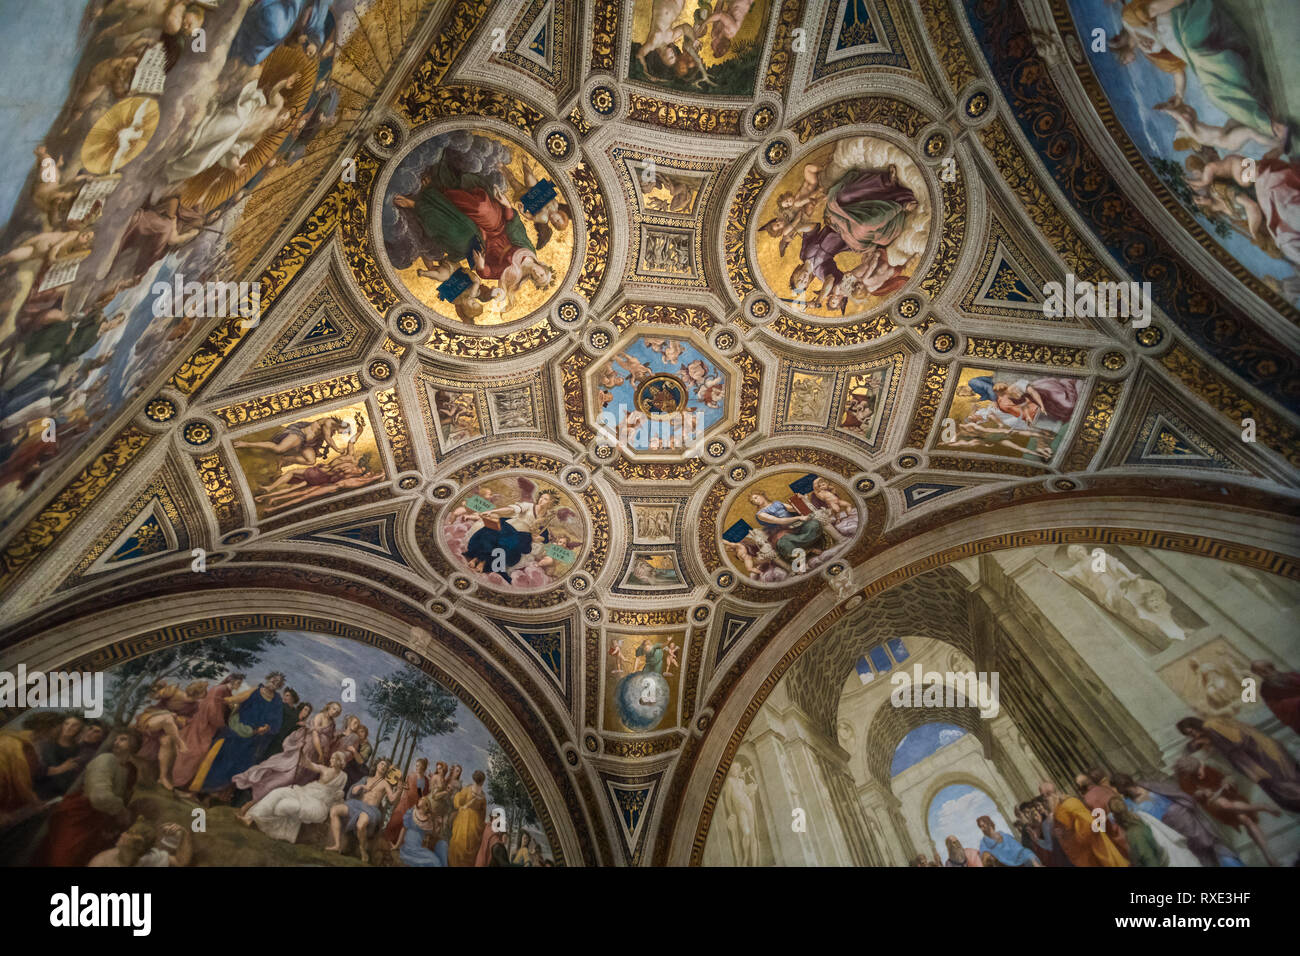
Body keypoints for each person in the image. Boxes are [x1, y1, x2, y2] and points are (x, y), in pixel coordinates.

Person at [38, 731, 141, 866]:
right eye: (116, 739)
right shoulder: (106, 759)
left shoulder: (131, 770)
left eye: (123, 739)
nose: (116, 742)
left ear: (134, 745)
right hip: (81, 814)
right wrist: (121, 811)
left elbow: (125, 795)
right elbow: (99, 796)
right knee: (64, 858)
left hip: (100, 820)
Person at [190, 672, 286, 798]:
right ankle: (200, 790)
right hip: (235, 732)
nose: (274, 683)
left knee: (239, 767)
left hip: (252, 740)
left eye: (278, 683)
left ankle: (217, 795)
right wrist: (217, 698)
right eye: (273, 680)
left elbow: (276, 722)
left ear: (280, 686)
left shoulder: (277, 701)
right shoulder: (255, 691)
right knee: (220, 760)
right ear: (268, 679)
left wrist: (267, 727)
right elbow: (236, 699)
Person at [1173, 755, 1282, 866]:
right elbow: (1193, 797)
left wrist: (1227, 781)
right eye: (1194, 774)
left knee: (1245, 819)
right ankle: (1261, 806)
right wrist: (1201, 793)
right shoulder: (1184, 781)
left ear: (1199, 764)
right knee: (1225, 805)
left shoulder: (1210, 763)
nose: (1199, 775)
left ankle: (1268, 855)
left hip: (1229, 794)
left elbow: (1229, 775)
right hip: (1213, 805)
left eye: (1199, 770)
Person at [1177, 715, 1300, 813]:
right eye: (1190, 735)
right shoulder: (1212, 725)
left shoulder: (1211, 726)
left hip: (1259, 757)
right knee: (1282, 784)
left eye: (1192, 732)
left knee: (1282, 784)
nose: (1195, 736)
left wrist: (1207, 741)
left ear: (1194, 725)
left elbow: (1237, 742)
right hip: (1256, 757)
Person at [1114, 773, 1240, 867]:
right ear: (1121, 790)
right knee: (1198, 858)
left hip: (1187, 821)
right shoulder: (1129, 804)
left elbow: (1178, 795)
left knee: (1214, 849)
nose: (1131, 789)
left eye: (1128, 785)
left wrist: (1183, 810)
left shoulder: (1150, 785)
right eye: (1125, 788)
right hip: (1171, 834)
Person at [241, 751, 347, 843]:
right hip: (306, 791)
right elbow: (309, 764)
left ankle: (278, 832)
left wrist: (337, 796)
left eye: (335, 758)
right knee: (278, 792)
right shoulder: (324, 769)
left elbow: (339, 793)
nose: (332, 760)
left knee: (285, 806)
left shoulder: (343, 776)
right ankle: (250, 817)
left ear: (340, 761)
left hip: (318, 802)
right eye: (332, 757)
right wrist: (302, 755)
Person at [1039, 780, 1128, 867]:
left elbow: (1089, 827)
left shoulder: (1068, 805)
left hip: (1097, 852)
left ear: (1049, 794)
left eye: (1043, 797)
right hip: (1086, 855)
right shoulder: (1059, 808)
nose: (1044, 800)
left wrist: (1066, 834)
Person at [326, 758, 397, 862]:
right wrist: (362, 786)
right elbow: (353, 791)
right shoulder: (366, 778)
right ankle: (337, 844)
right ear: (377, 765)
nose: (383, 767)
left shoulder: (385, 783)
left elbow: (392, 799)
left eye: (386, 766)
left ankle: (363, 850)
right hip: (356, 805)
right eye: (382, 764)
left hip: (371, 810)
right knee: (334, 810)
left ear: (387, 771)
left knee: (361, 825)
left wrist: (399, 789)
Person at [88, 820, 192, 867]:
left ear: (139, 844)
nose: (123, 834)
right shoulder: (102, 862)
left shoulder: (150, 858)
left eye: (129, 833)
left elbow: (180, 862)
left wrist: (184, 834)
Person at [392, 796, 447, 866]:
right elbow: (403, 829)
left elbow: (434, 834)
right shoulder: (412, 812)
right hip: (409, 848)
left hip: (419, 848)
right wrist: (396, 846)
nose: (420, 799)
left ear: (426, 805)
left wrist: (439, 824)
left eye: (423, 799)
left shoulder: (428, 820)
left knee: (436, 861)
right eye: (420, 798)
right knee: (435, 861)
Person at [448, 769, 487, 867]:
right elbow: (483, 814)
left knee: (458, 844)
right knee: (471, 846)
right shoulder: (483, 797)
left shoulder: (467, 789)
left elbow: (457, 800)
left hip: (463, 819)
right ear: (482, 781)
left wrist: (461, 807)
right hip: (475, 824)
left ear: (474, 779)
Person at [384, 757, 428, 844]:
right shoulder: (411, 775)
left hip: (414, 804)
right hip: (405, 801)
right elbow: (407, 787)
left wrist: (420, 800)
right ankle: (387, 837)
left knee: (405, 823)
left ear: (423, 767)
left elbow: (420, 793)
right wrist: (401, 785)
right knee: (396, 818)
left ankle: (397, 841)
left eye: (418, 766)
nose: (416, 767)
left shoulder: (425, 780)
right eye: (416, 765)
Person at [1252, 661, 1300, 734]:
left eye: (1265, 670)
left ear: (1271, 667)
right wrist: (1296, 701)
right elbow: (1277, 708)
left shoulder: (1292, 675)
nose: (1264, 674)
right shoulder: (1265, 690)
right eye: (1259, 673)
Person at [976, 815, 1041, 866]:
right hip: (1003, 862)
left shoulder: (1003, 835)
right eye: (980, 827)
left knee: (1028, 854)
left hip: (1016, 856)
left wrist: (1021, 852)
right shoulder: (983, 842)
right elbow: (985, 859)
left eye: (983, 826)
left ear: (989, 824)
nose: (982, 829)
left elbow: (1017, 847)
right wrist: (990, 858)